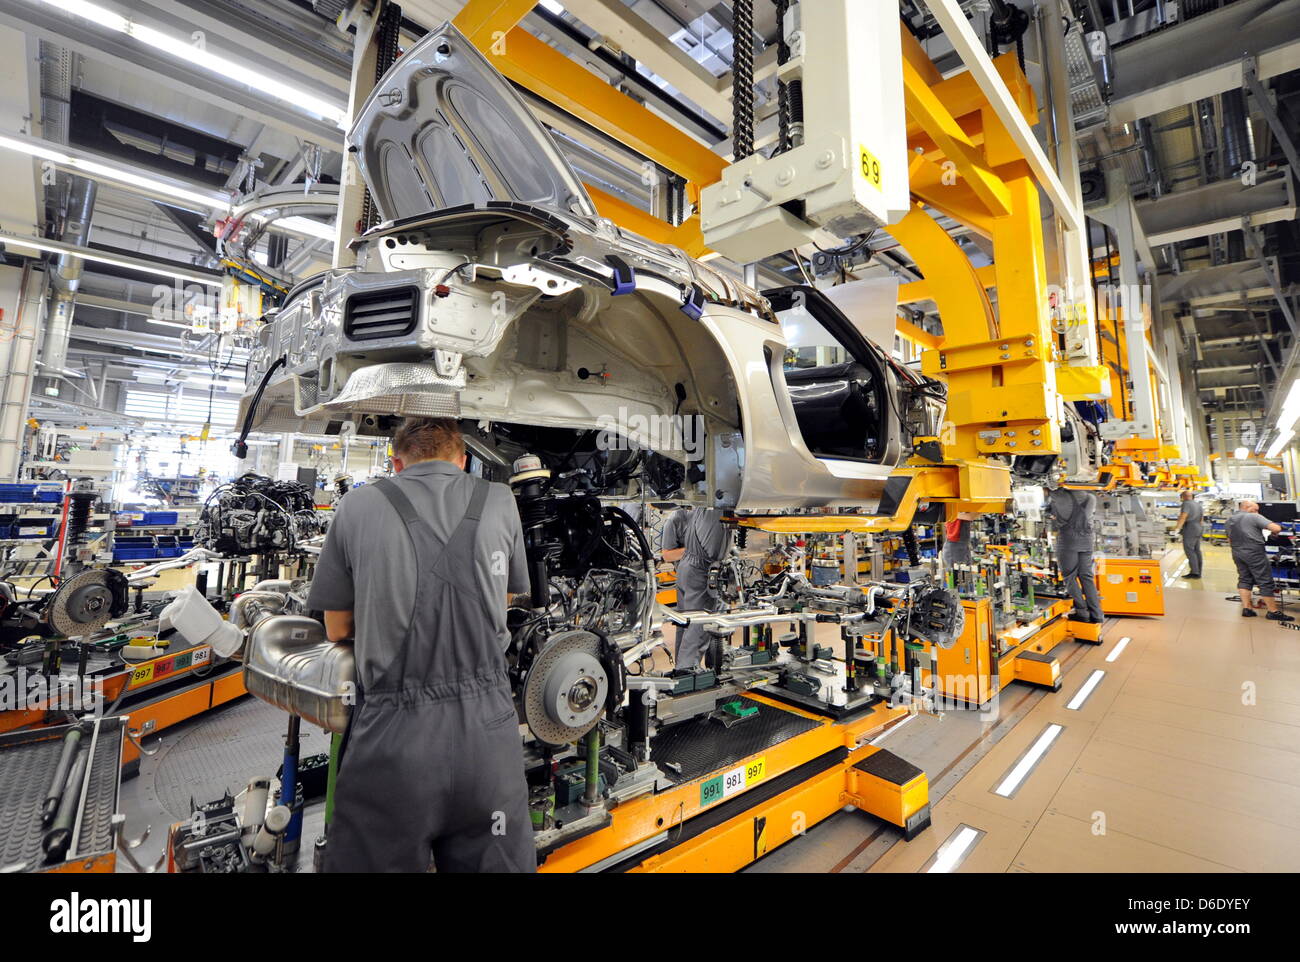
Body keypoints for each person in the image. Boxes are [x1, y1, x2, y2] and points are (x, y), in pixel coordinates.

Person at [307, 417, 537, 872]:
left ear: (396, 462)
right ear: (463, 460)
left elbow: (336, 628)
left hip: (394, 744)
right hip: (487, 740)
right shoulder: (500, 498)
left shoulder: (356, 506)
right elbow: (506, 598)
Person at [660, 505, 731, 668]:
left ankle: (680, 670)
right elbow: (667, 554)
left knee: (685, 624)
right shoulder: (714, 510)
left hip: (688, 569)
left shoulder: (701, 509)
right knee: (698, 626)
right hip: (699, 571)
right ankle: (687, 671)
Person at [1045, 485, 1104, 624]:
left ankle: (1082, 612)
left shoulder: (1060, 495)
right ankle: (1097, 614)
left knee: (1070, 577)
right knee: (1086, 576)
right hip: (1088, 539)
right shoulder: (1091, 498)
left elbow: (1045, 498)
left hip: (1069, 539)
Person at [1227, 500, 1292, 622]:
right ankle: (1273, 611)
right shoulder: (1253, 516)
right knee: (1265, 580)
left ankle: (1247, 609)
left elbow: (1229, 539)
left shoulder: (1230, 519)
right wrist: (1276, 528)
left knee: (1244, 578)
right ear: (1246, 507)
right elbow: (1276, 528)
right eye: (1255, 509)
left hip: (1237, 552)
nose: (1257, 512)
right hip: (1254, 552)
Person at [1173, 490, 1204, 579]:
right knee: (1197, 550)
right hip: (1198, 527)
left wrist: (1177, 529)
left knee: (1189, 550)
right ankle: (1198, 571)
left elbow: (1183, 516)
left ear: (1183, 497)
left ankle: (1194, 572)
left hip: (1190, 528)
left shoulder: (1186, 504)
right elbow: (1202, 519)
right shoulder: (1198, 505)